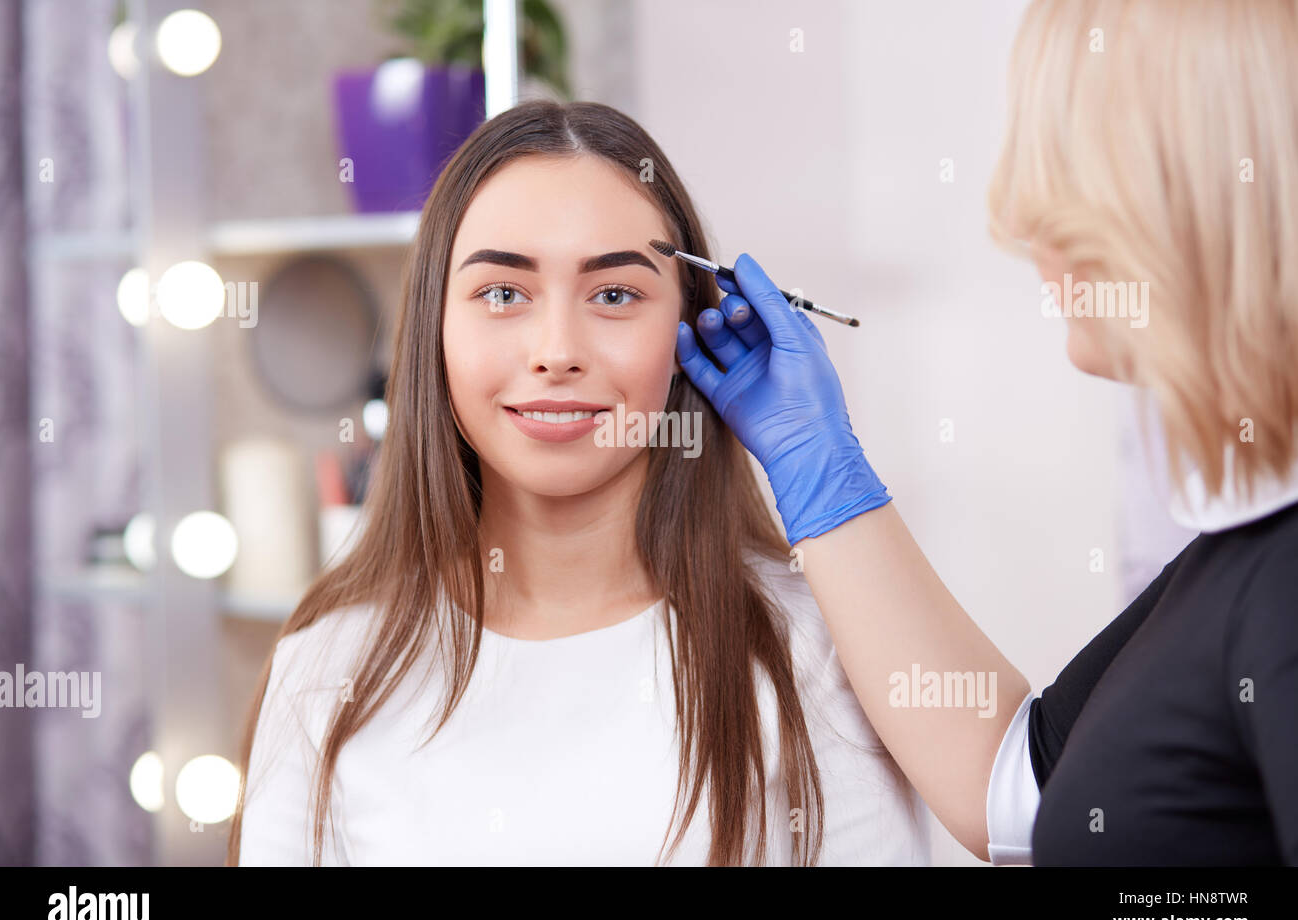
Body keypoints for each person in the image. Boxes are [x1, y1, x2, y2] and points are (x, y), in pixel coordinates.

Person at [227, 100, 930, 866]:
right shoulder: (327, 665)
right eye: (502, 293)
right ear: (434, 328)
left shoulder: (813, 652)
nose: (556, 351)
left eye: (615, 295)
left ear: (690, 329)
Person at [675, 0, 1298, 864]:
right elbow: (1021, 793)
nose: (1024, 226)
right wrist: (816, 463)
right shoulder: (1241, 548)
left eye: (1061, 166)